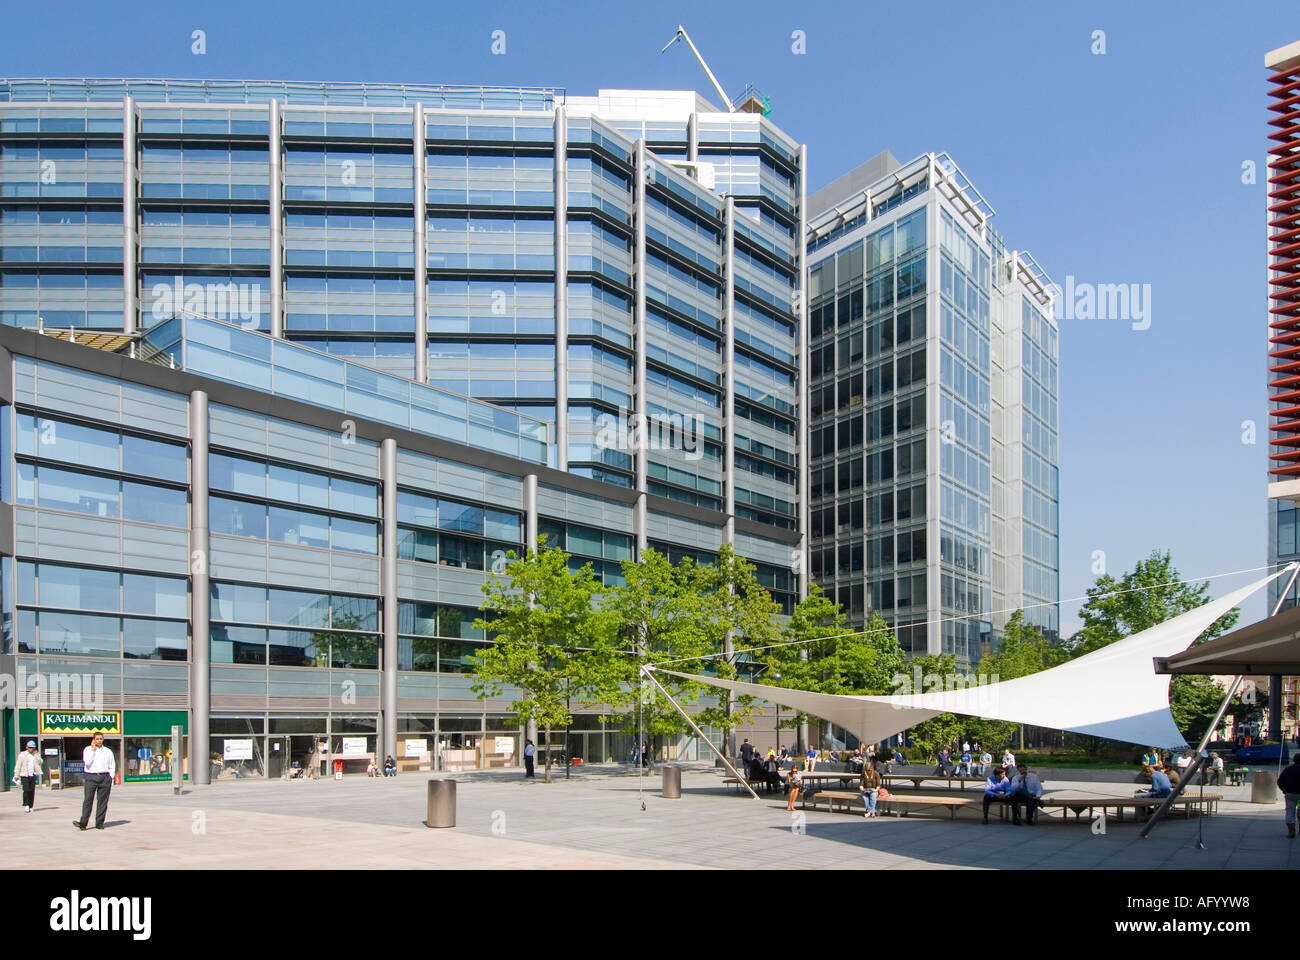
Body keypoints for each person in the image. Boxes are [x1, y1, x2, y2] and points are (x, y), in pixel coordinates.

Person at [73, 732, 114, 831]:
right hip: (91, 776)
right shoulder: (88, 750)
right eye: (97, 739)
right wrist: (93, 750)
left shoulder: (108, 751)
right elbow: (87, 762)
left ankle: (99, 823)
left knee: (103, 801)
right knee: (88, 800)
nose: (99, 741)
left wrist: (110, 777)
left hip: (104, 776)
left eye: (101, 739)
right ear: (93, 739)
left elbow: (112, 764)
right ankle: (83, 823)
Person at [13, 740, 42, 812]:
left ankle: (31, 806)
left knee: (32, 791)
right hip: (24, 775)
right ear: (27, 747)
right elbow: (18, 766)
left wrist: (37, 755)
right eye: (30, 748)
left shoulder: (35, 755)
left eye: (33, 748)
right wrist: (16, 775)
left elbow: (40, 762)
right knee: (26, 790)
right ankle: (26, 805)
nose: (32, 749)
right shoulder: (22, 755)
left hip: (33, 774)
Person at [1277, 752, 1300, 839]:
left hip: (1290, 795)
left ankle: (1291, 830)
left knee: (1290, 812)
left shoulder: (1288, 769)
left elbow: (1280, 781)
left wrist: (1284, 790)